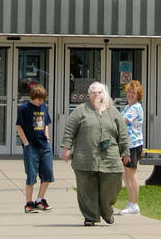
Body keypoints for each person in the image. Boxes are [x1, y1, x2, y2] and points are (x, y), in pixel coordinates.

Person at [61, 81, 129, 225]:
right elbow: (69, 130)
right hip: (85, 157)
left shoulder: (113, 111)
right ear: (88, 95)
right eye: (94, 93)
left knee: (111, 185)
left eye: (100, 92)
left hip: (110, 157)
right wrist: (66, 148)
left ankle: (107, 211)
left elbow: (122, 133)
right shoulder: (80, 110)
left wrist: (125, 151)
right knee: (87, 188)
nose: (97, 95)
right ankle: (90, 217)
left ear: (105, 94)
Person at [15, 82, 53, 213]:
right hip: (31, 146)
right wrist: (25, 142)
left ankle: (40, 200)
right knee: (31, 175)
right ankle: (29, 203)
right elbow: (19, 126)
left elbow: (46, 124)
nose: (40, 102)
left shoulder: (43, 107)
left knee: (48, 173)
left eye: (42, 100)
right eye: (39, 99)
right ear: (33, 97)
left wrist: (47, 137)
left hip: (44, 145)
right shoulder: (25, 108)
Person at [116, 79, 144, 216]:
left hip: (133, 145)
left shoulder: (136, 107)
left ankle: (134, 204)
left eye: (133, 92)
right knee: (125, 174)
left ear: (138, 94)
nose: (130, 95)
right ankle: (130, 203)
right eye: (128, 92)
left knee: (131, 174)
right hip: (126, 145)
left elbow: (123, 121)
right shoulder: (127, 107)